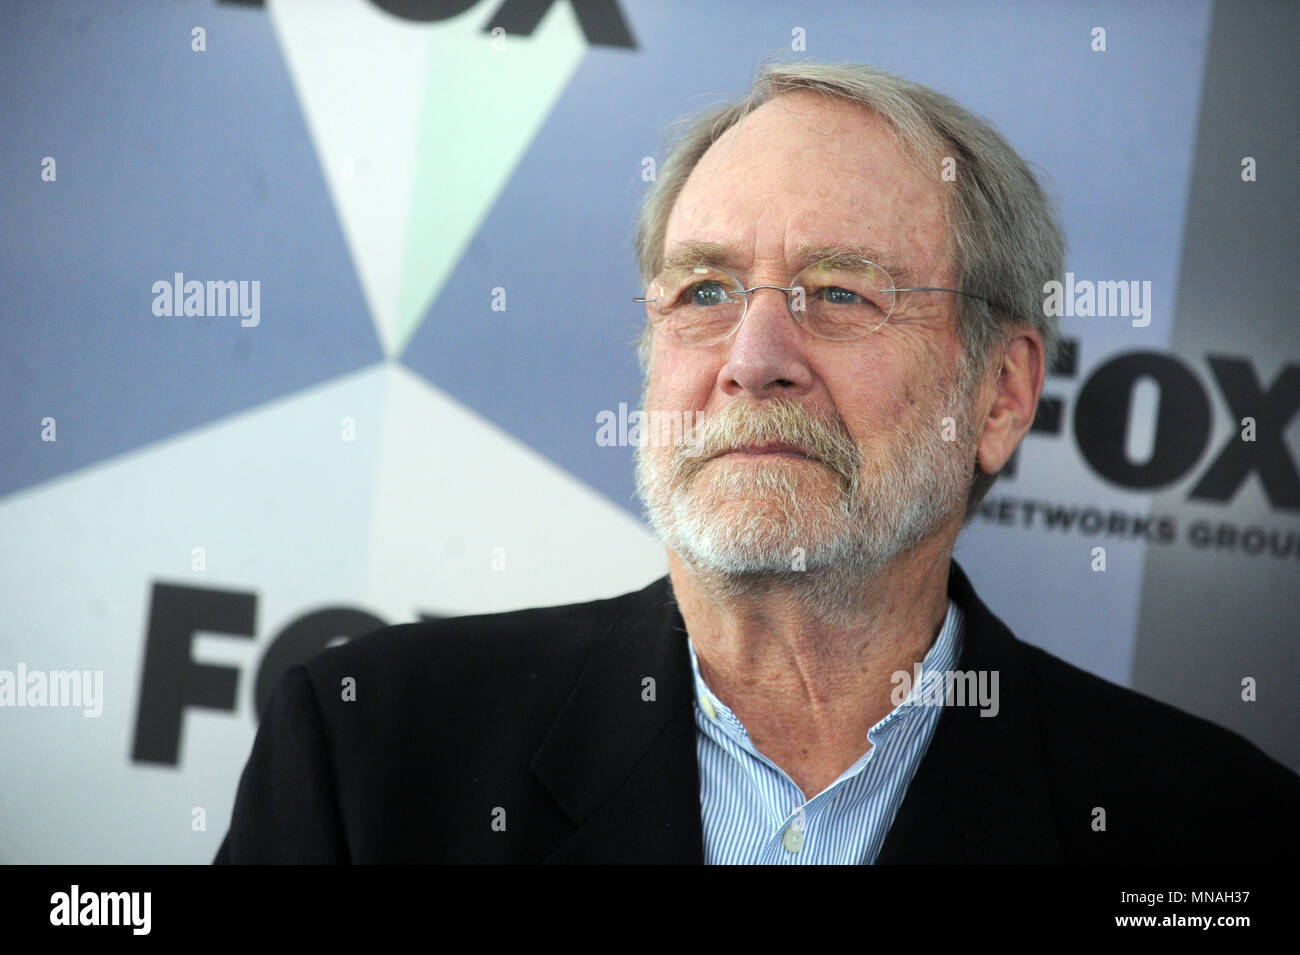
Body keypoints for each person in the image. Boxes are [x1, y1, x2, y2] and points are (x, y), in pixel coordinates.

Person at [215, 60, 1299, 864]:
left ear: (1001, 393)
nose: (754, 359)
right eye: (703, 293)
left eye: (839, 293)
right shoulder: (370, 752)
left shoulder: (1216, 832)